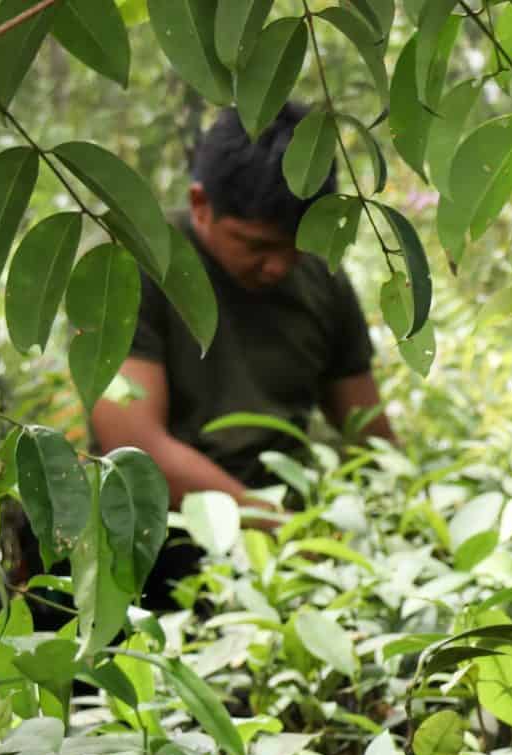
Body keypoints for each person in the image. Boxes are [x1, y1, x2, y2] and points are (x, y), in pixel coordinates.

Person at [92, 100, 397, 606]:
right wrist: (284, 532)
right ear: (200, 204)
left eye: (294, 247)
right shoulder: (136, 269)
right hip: (154, 544)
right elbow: (136, 449)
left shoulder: (322, 281)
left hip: (279, 548)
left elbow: (370, 438)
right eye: (255, 246)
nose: (277, 267)